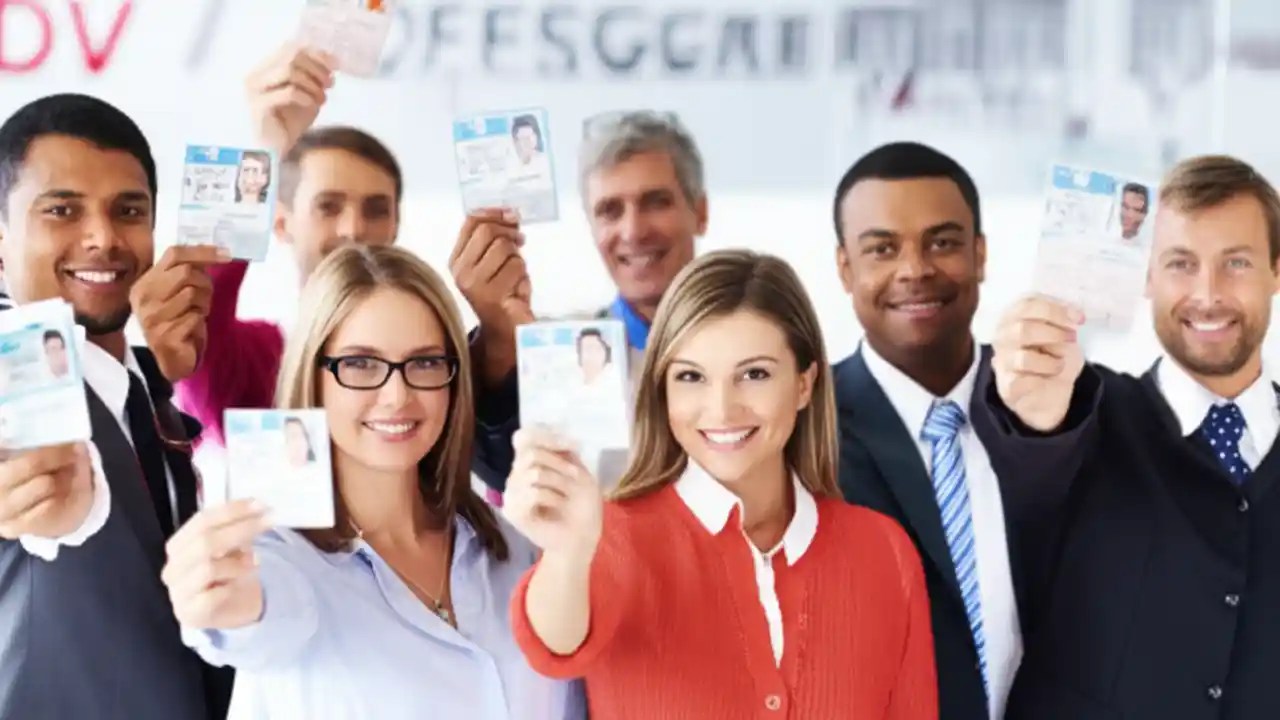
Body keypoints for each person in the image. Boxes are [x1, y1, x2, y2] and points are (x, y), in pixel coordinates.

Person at [506, 249, 937, 719]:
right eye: (691, 377)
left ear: (804, 384)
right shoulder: (610, 537)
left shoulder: (883, 551)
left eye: (754, 374)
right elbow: (553, 644)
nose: (722, 409)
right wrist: (567, 552)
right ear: (663, 391)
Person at [164, 245, 585, 720]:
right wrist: (220, 603)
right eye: (361, 364)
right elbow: (259, 621)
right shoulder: (279, 557)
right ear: (314, 376)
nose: (396, 395)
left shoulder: (511, 547)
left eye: (424, 362)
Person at [977, 155, 1280, 719]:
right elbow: (1034, 443)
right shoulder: (1088, 413)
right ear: (1146, 276)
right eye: (1180, 264)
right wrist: (1031, 402)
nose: (1208, 293)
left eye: (1235, 262)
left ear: (1276, 270)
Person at [176, 42, 530, 492]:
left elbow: (500, 484)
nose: (352, 229)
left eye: (375, 209)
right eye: (328, 206)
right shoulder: (254, 360)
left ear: (397, 222)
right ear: (280, 221)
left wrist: (501, 331)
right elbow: (191, 303)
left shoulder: (438, 363)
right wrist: (261, 149)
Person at [0, 93, 234, 718]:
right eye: (62, 211)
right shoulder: (9, 384)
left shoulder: (150, 387)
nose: (102, 238)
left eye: (128, 210)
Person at [830, 142, 1027, 720]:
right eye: (882, 249)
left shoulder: (1054, 409)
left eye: (942, 243)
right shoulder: (801, 430)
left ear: (981, 254)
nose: (914, 269)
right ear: (845, 268)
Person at [473, 110, 708, 505]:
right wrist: (497, 337)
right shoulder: (553, 361)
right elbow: (505, 479)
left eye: (655, 202)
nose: (633, 231)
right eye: (610, 211)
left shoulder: (758, 351)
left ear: (700, 213)